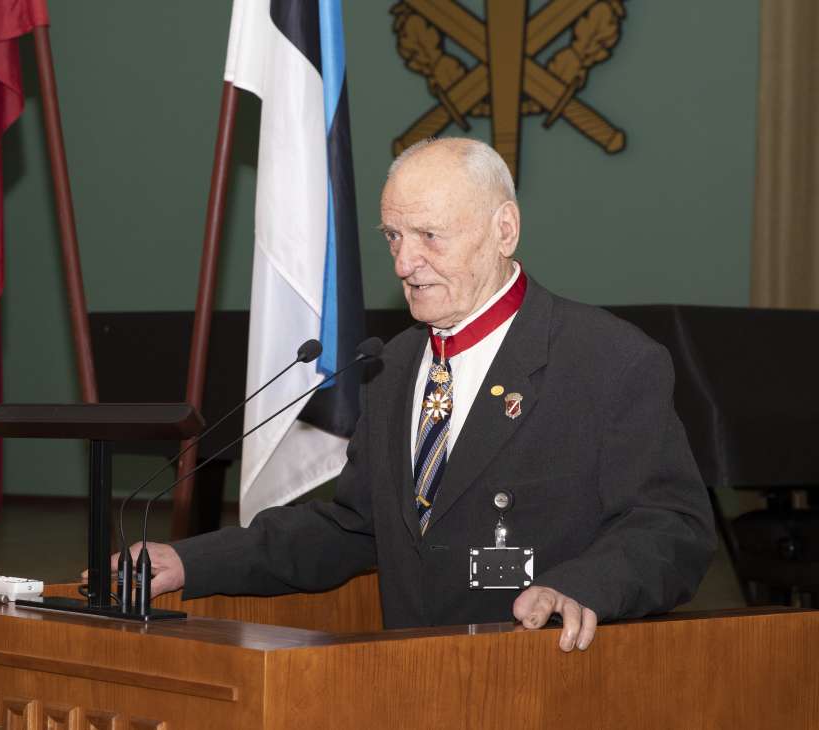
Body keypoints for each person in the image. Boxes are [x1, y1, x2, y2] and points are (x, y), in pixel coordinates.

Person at [114, 138, 716, 652]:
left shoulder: (607, 359)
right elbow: (353, 528)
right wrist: (191, 561)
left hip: (542, 675)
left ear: (504, 229)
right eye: (394, 236)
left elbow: (672, 525)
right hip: (410, 680)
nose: (405, 262)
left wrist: (583, 587)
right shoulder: (393, 365)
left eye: (430, 235)